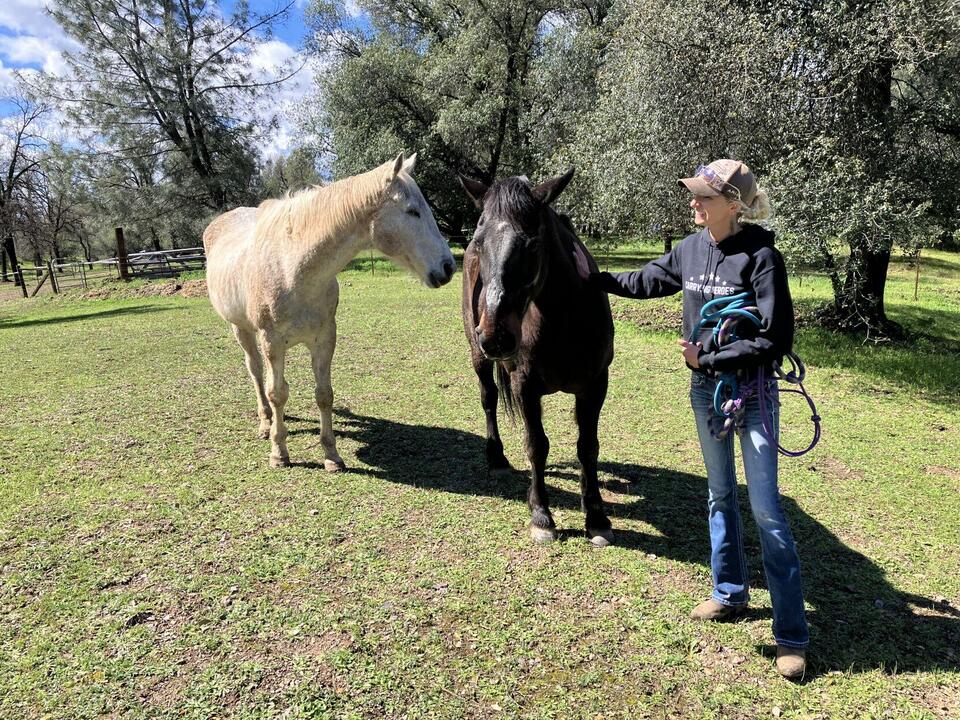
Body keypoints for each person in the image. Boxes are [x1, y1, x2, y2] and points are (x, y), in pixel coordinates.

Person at [573, 159, 809, 680]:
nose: (694, 204)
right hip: (705, 392)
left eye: (703, 197)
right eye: (695, 196)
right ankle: (729, 593)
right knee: (719, 493)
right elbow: (648, 280)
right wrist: (594, 279)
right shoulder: (690, 248)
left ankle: (791, 635)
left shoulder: (762, 256)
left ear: (734, 204)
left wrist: (710, 359)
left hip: (752, 392)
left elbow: (774, 338)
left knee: (767, 510)